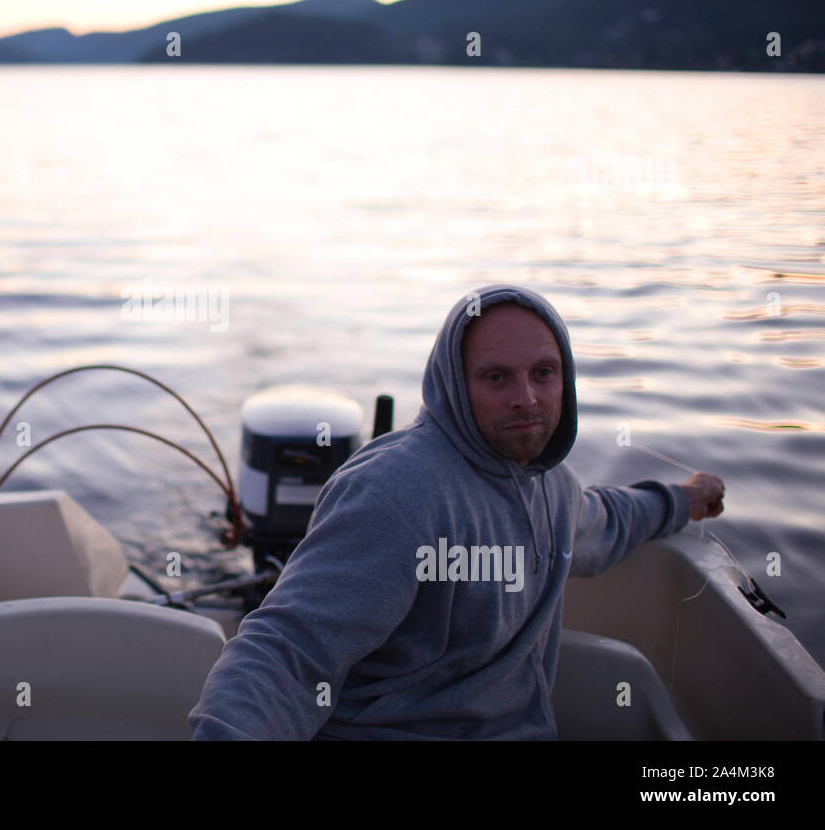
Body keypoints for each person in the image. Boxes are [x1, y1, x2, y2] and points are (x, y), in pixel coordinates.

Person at [189, 284, 724, 740]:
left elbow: (604, 520)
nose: (527, 398)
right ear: (454, 385)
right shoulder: (395, 492)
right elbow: (288, 647)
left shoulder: (551, 487)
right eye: (496, 378)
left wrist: (682, 499)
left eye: (544, 373)